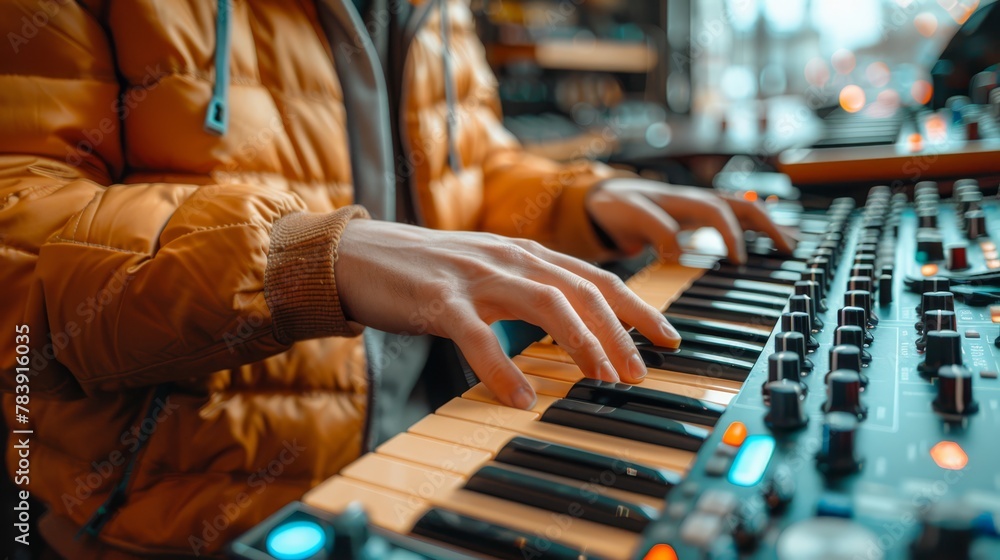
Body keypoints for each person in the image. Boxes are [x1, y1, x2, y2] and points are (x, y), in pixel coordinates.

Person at [0, 0, 792, 557]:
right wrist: (302, 258)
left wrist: (584, 197)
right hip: (186, 510)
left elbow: (469, 173)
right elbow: (17, 247)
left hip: (440, 458)